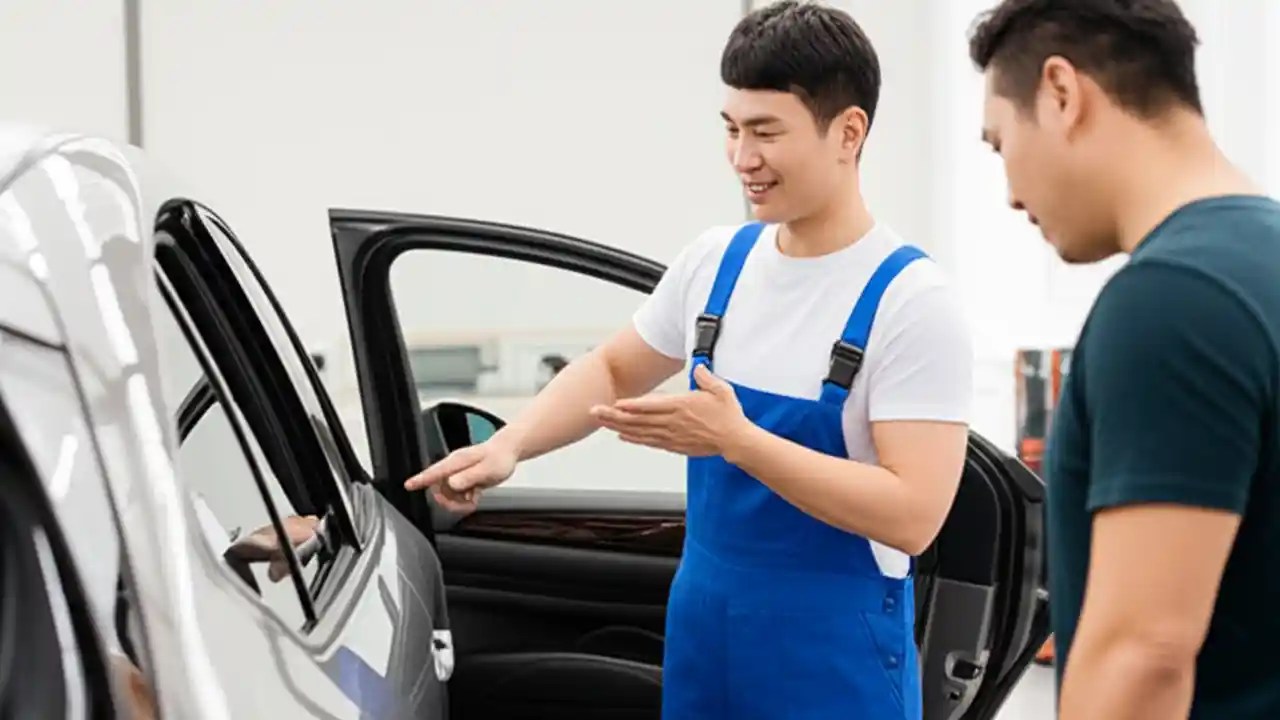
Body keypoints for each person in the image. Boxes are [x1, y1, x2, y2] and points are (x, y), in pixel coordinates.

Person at [407, 2, 972, 717]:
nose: (743, 159)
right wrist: (513, 444)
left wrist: (739, 443)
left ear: (848, 133)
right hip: (705, 642)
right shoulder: (715, 264)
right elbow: (612, 370)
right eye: (732, 130)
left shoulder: (910, 303)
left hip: (831, 661)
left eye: (767, 133)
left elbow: (913, 513)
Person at [969, 1, 1280, 717]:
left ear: (1061, 93)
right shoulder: (1254, 270)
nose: (1012, 194)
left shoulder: (1172, 302)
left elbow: (1143, 656)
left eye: (999, 145)